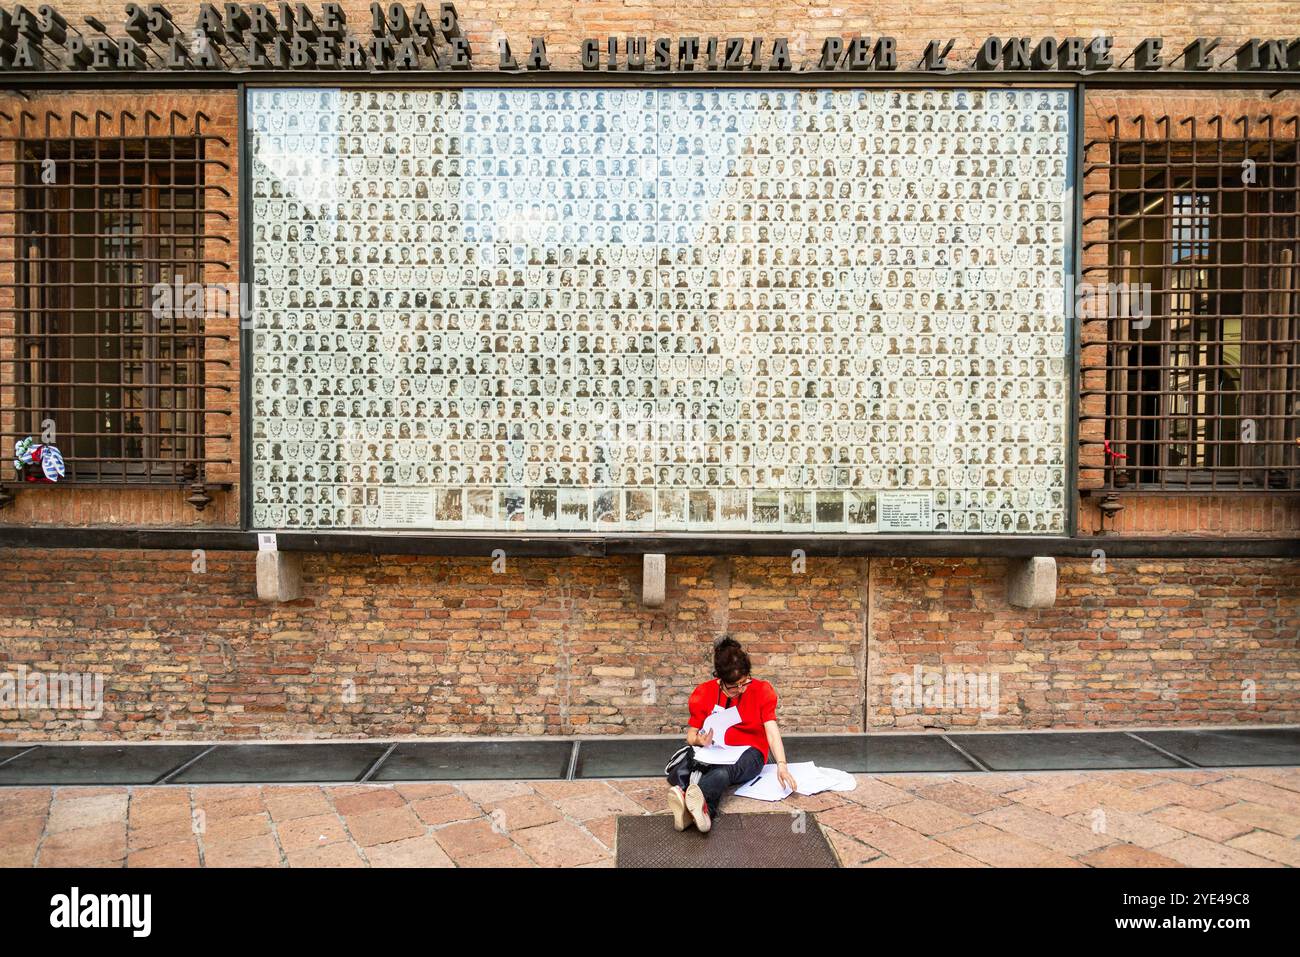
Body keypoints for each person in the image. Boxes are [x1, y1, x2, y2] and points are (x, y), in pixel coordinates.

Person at [665, 637, 797, 834]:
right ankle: (692, 813)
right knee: (694, 758)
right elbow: (690, 737)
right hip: (715, 752)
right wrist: (700, 740)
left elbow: (771, 730)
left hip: (749, 753)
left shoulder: (761, 690)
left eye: (744, 682)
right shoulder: (704, 693)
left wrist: (782, 765)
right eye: (734, 686)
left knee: (721, 773)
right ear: (720, 679)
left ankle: (700, 807)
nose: (741, 689)